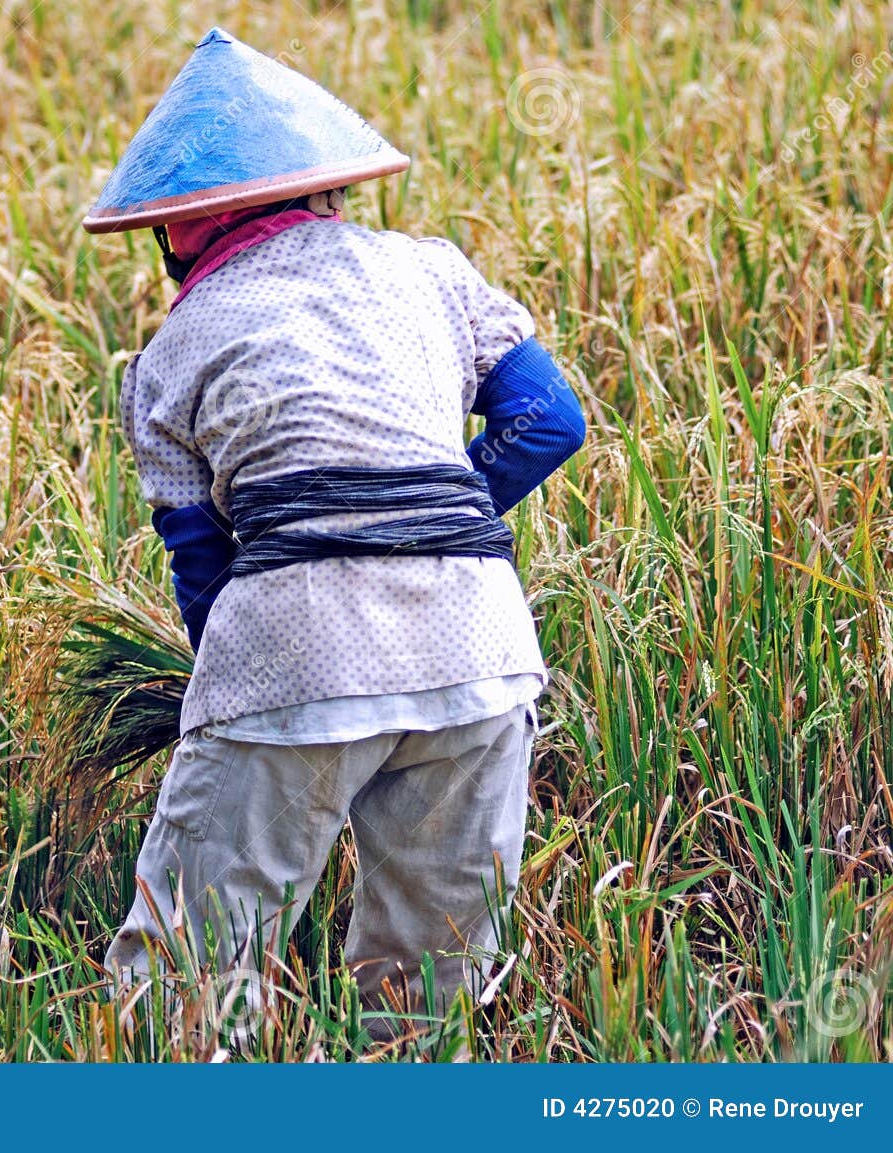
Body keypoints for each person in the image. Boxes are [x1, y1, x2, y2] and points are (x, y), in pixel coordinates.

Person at [82, 28, 587, 1034]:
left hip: (291, 646)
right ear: (321, 188)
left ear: (184, 227)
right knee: (428, 995)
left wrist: (234, 695)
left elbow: (204, 575)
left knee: (186, 977)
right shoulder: (432, 271)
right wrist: (432, 519)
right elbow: (549, 421)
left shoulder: (169, 351)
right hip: (479, 647)